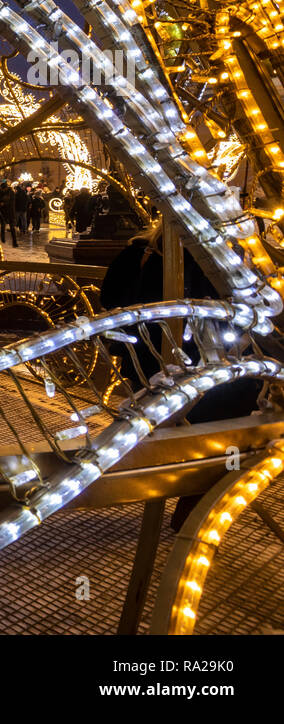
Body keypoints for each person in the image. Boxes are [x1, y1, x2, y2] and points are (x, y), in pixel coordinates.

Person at [99, 223, 263, 530]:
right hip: (200, 368)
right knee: (217, 439)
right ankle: (189, 508)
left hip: (148, 363)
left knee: (164, 436)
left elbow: (109, 298)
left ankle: (168, 495)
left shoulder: (137, 252)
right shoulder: (213, 262)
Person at [0, 182, 18, 247]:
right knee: (3, 226)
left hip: (10, 211)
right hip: (2, 212)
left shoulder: (11, 192)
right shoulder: (0, 192)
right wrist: (0, 202)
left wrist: (4, 203)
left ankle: (15, 242)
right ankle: (3, 241)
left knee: (12, 227)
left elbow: (11, 202)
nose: (2, 190)